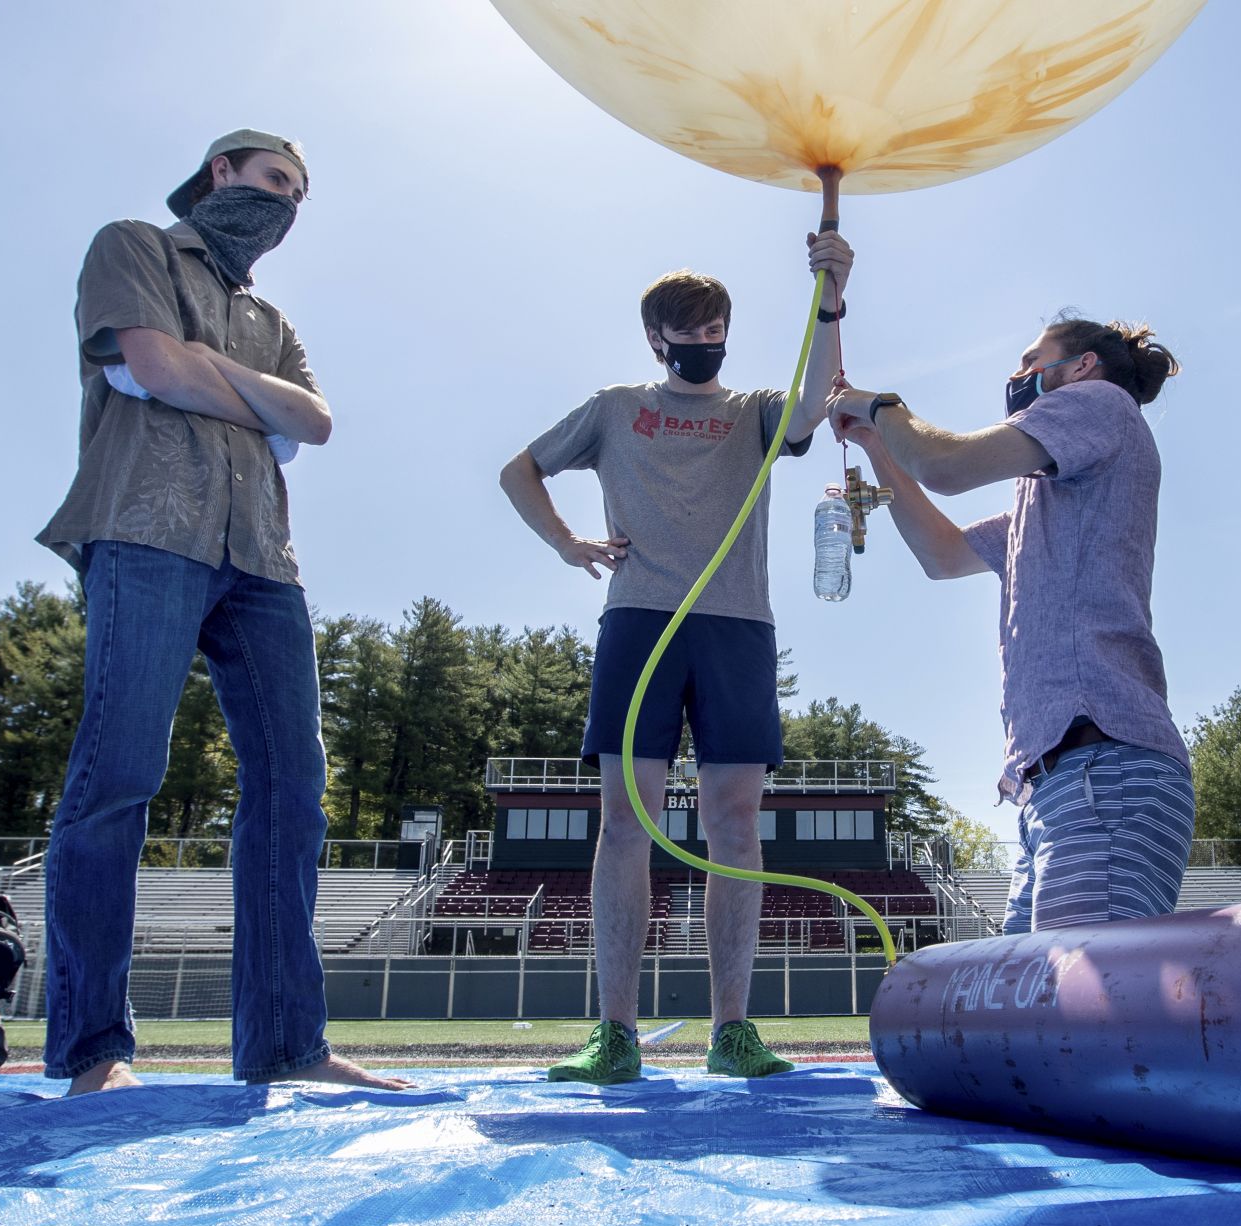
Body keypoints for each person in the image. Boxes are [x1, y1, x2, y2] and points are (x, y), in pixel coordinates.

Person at [35, 130, 410, 1094]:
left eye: (300, 191)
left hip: (263, 562)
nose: (286, 200)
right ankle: (92, 1049)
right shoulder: (134, 246)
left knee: (294, 787)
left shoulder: (273, 319)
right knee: (121, 770)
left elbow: (316, 423)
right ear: (221, 175)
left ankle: (289, 1045)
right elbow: (153, 366)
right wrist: (245, 398)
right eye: (273, 180)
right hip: (145, 529)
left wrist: (210, 370)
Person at [499, 230, 853, 1084]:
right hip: (639, 620)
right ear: (657, 338)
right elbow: (519, 470)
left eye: (716, 328)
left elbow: (818, 397)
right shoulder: (616, 406)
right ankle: (613, 1033)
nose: (705, 342)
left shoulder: (753, 410)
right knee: (627, 822)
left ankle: (732, 1030)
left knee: (735, 823)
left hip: (736, 625)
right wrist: (566, 542)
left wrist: (831, 292)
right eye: (688, 331)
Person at [826, 313, 1195, 933]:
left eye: (1032, 359)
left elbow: (945, 466)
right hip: (1056, 786)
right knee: (1032, 1017)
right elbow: (941, 555)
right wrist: (875, 445)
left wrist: (879, 404)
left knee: (1082, 1015)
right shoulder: (1047, 500)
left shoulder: (1100, 403)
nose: (1018, 374)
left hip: (1103, 773)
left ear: (1080, 366)